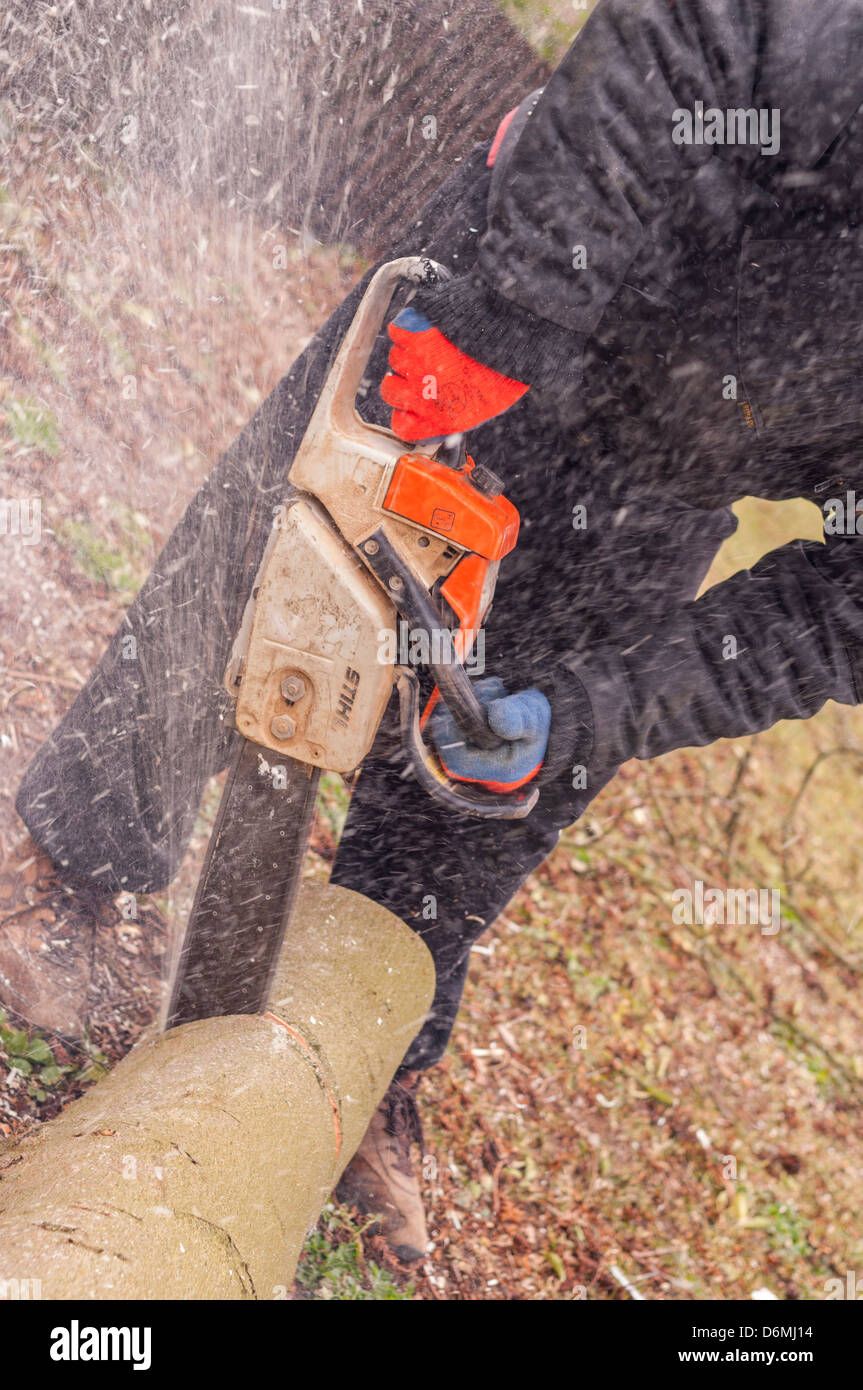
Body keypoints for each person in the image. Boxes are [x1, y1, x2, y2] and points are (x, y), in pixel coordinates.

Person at [5, 0, 863, 1264]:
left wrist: (596, 712)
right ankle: (66, 869)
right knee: (279, 570)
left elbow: (835, 618)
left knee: (497, 779)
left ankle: (358, 1049)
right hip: (543, 263)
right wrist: (502, 320)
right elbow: (693, 24)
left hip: (679, 464)